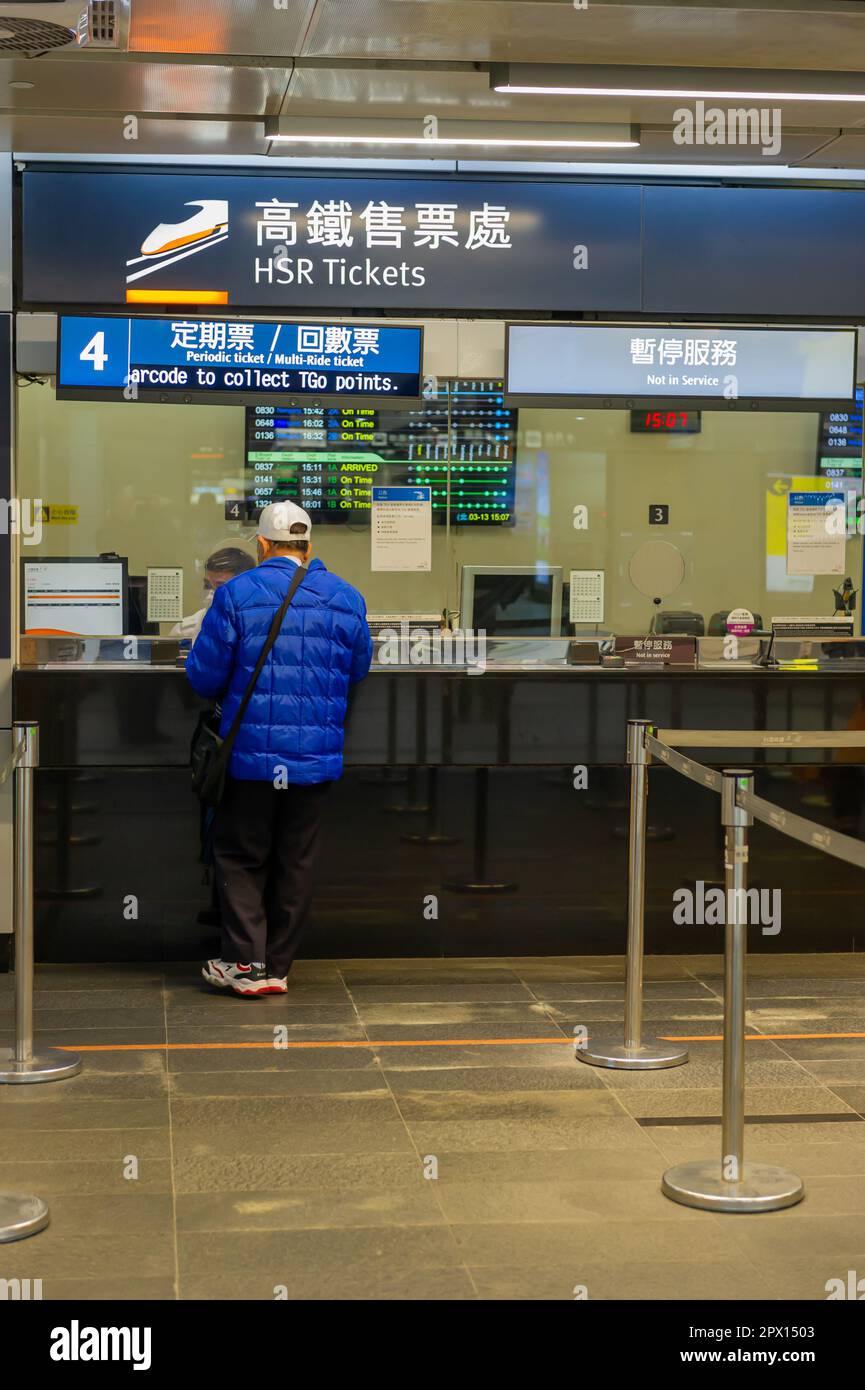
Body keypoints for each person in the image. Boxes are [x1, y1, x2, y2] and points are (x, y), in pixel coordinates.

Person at [185, 500, 372, 997]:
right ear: (309, 545)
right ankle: (278, 967)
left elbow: (204, 677)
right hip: (315, 758)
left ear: (263, 545)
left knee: (242, 854)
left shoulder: (238, 593)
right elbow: (357, 670)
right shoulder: (347, 597)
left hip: (251, 757)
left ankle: (244, 964)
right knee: (298, 858)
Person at [171, 546, 256, 642]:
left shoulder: (262, 629)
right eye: (207, 585)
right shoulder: (185, 630)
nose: (209, 595)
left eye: (221, 587)